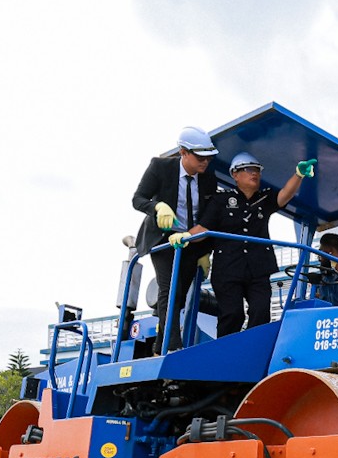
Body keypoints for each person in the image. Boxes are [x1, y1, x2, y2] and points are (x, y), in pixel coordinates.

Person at [171, 152, 312, 337]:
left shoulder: (264, 199)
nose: (254, 174)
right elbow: (203, 228)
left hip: (258, 268)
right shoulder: (220, 200)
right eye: (248, 169)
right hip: (228, 268)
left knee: (261, 312)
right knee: (232, 314)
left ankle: (253, 352)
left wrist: (298, 174)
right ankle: (225, 355)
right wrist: (184, 237)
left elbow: (285, 195)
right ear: (235, 175)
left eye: (257, 170)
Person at [132, 126, 219, 353]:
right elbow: (137, 199)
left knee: (180, 293)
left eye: (208, 157)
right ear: (183, 152)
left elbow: (210, 212)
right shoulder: (159, 167)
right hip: (164, 238)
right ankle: (172, 346)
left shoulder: (208, 176)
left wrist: (204, 250)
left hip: (191, 240)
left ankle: (160, 344)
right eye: (200, 157)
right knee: (169, 288)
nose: (205, 162)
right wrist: (157, 206)